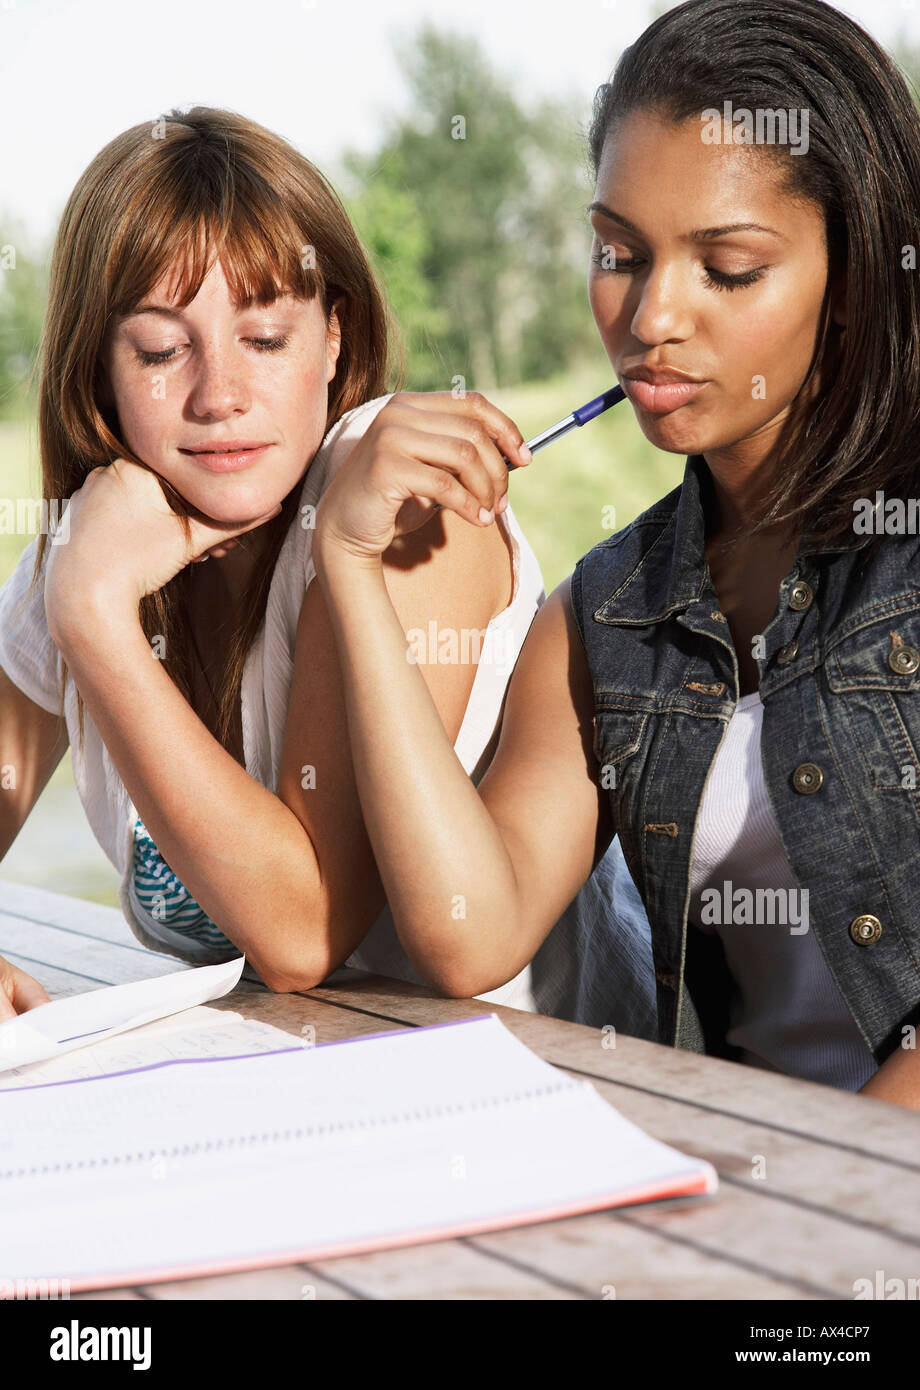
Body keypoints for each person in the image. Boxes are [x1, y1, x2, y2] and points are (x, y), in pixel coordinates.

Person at [308, 0, 920, 1109]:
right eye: (618, 254)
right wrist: (346, 562)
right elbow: (464, 937)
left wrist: (801, 1232)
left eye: (726, 268)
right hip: (728, 1188)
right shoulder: (606, 615)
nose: (649, 317)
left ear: (856, 276)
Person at [0, 105, 656, 1030]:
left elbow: (301, 934)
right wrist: (82, 592)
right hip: (281, 1093)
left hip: (549, 1089)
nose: (219, 395)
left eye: (265, 340)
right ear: (97, 370)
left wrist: (98, 619)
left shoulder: (396, 505)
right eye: (158, 349)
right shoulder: (91, 551)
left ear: (334, 337)